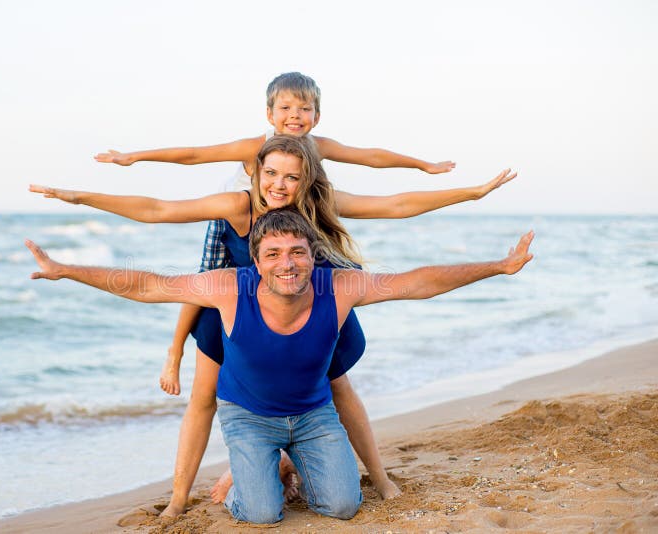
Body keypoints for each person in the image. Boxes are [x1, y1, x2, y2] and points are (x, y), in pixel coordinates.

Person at [30, 134, 516, 513]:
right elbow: (158, 225)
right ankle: (193, 491)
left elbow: (399, 220)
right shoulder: (239, 207)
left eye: (292, 176)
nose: (279, 185)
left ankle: (366, 474)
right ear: (256, 171)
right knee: (208, 398)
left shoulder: (321, 209)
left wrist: (472, 197)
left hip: (311, 310)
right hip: (239, 313)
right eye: (272, 173)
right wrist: (80, 203)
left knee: (335, 392)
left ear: (307, 180)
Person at [94, 72, 456, 397]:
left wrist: (423, 165)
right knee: (205, 279)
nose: (295, 115)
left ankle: (310, 373)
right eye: (286, 107)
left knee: (339, 275)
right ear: (270, 114)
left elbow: (372, 157)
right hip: (238, 220)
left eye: (305, 108)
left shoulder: (318, 146)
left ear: (317, 115)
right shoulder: (255, 147)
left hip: (289, 228)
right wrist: (135, 157)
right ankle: (174, 351)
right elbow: (194, 155)